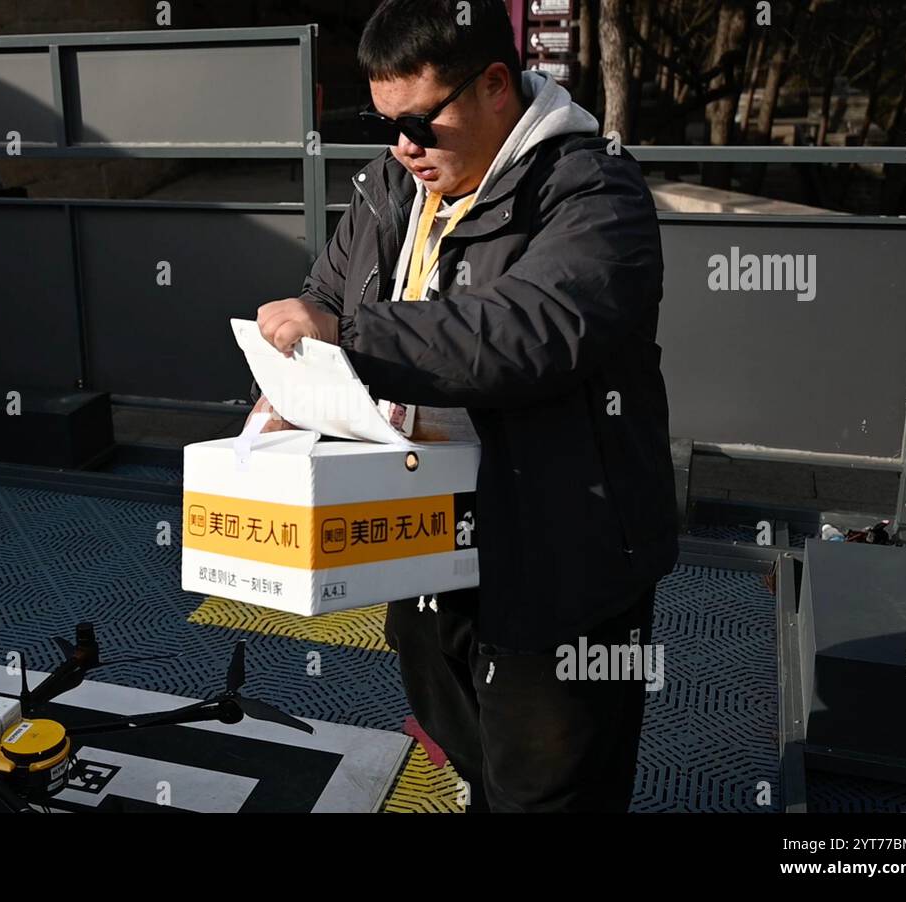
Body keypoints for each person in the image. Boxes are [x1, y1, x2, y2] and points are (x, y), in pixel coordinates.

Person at [253, 0, 679, 812]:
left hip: (559, 557)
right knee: (470, 750)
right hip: (423, 546)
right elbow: (326, 295)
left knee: (549, 785)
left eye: (420, 121)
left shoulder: (594, 189)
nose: (403, 146)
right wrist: (289, 389)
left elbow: (530, 331)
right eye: (384, 123)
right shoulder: (390, 186)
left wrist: (348, 336)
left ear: (494, 85)